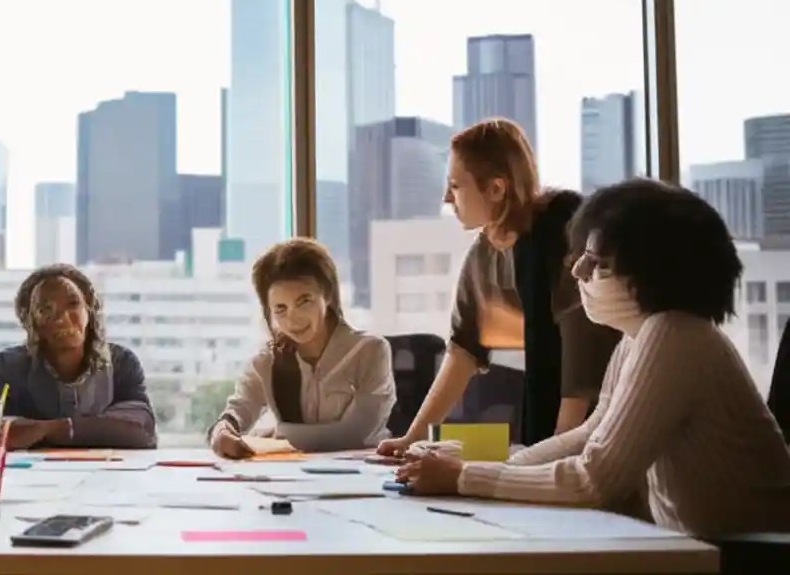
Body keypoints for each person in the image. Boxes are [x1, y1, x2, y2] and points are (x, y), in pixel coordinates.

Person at [397, 179, 790, 538]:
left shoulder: (674, 335)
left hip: (754, 554)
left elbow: (595, 479)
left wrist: (466, 477)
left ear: (654, 268)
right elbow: (588, 437)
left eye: (597, 261)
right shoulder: (638, 338)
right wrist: (480, 467)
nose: (577, 271)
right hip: (704, 549)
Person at [377, 119, 621, 454]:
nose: (447, 198)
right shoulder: (484, 253)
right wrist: (413, 437)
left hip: (601, 428)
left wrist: (553, 455)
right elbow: (463, 351)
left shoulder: (563, 234)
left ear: (495, 189)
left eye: (455, 186)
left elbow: (580, 363)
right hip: (553, 437)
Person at [209, 238, 396, 458]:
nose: (293, 319)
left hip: (363, 476)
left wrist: (276, 434)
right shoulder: (267, 362)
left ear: (326, 295)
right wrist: (222, 432)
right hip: (294, 477)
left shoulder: (370, 351)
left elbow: (356, 434)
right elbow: (237, 411)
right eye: (280, 309)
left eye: (304, 301)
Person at [0, 264, 157, 450]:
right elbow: (5, 434)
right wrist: (100, 428)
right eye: (46, 309)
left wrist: (48, 429)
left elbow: (141, 431)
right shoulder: (10, 366)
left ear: (89, 310)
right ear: (31, 321)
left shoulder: (121, 362)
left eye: (73, 304)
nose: (62, 318)